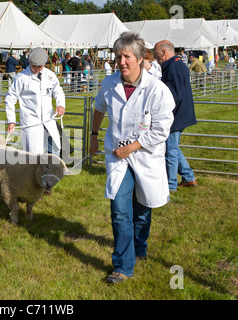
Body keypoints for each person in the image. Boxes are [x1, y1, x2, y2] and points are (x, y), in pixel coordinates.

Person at [89, 32, 175, 284]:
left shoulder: (157, 89)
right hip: (118, 157)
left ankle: (139, 247)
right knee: (119, 209)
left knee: (142, 208)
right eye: (118, 57)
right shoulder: (109, 84)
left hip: (146, 156)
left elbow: (161, 130)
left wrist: (132, 147)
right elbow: (98, 108)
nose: (122, 62)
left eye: (127, 56)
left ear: (139, 58)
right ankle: (123, 266)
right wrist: (94, 136)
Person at [154, 40, 197, 191]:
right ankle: (188, 177)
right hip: (180, 113)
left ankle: (171, 184)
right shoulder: (177, 64)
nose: (156, 58)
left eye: (157, 55)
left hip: (175, 116)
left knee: (170, 151)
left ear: (164, 53)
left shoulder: (174, 67)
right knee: (173, 147)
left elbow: (174, 95)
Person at [6, 47, 65, 156]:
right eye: (34, 66)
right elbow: (10, 98)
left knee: (55, 152)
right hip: (31, 123)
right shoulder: (22, 78)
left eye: (40, 67)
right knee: (34, 157)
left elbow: (58, 91)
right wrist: (11, 120)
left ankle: (51, 173)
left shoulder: (50, 76)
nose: (36, 69)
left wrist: (60, 105)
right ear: (29, 62)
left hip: (48, 120)